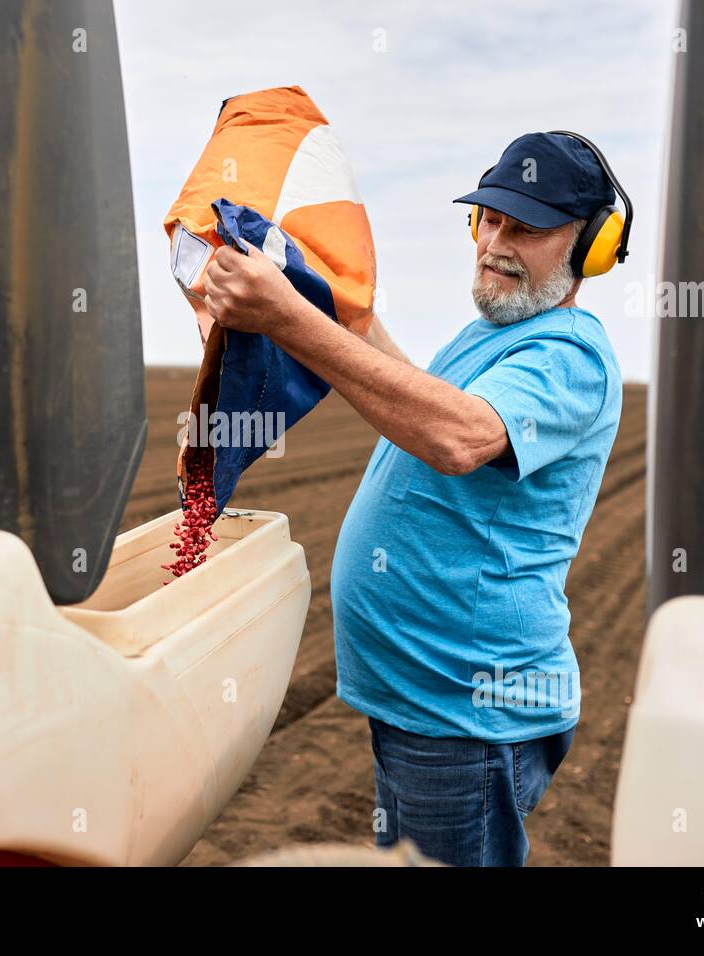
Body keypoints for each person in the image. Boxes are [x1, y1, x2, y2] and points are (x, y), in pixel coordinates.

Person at [201, 131, 625, 866]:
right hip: (421, 702)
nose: (494, 240)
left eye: (525, 228)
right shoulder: (491, 333)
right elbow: (410, 386)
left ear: (590, 247)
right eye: (488, 218)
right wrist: (324, 297)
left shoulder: (570, 354)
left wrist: (284, 319)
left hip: (471, 718)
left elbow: (455, 436)